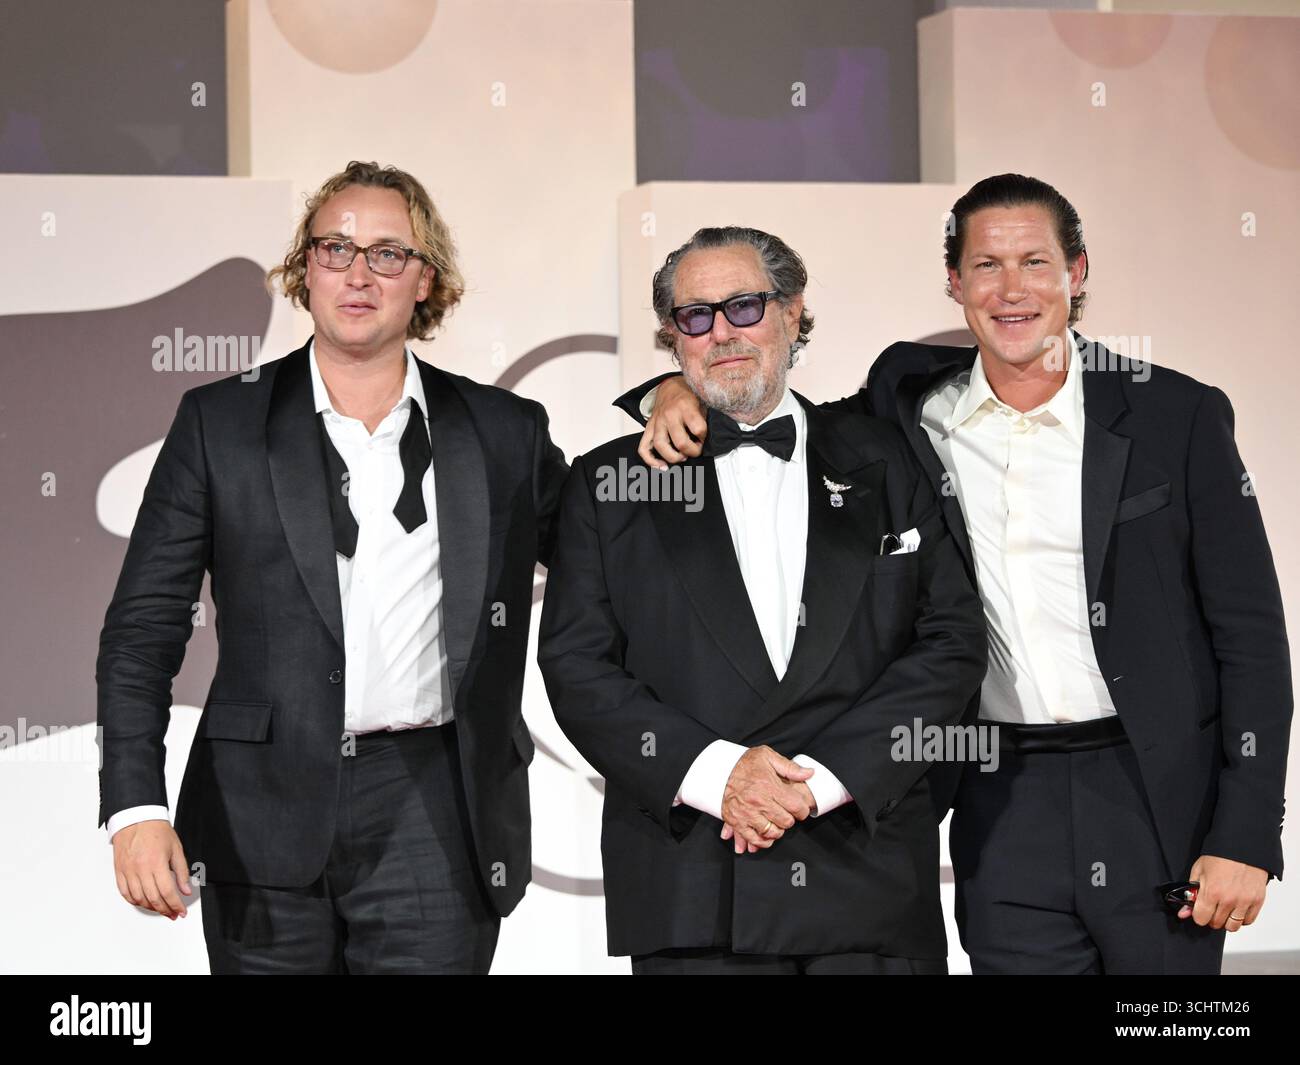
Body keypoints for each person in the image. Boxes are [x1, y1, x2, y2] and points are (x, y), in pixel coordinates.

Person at [616, 174, 1292, 975]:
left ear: (1078, 272)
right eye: (985, 267)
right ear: (954, 282)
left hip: (1153, 792)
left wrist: (1245, 832)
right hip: (995, 794)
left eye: (1035, 262)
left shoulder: (1177, 414)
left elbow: (1251, 639)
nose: (1012, 290)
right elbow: (770, 411)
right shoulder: (907, 405)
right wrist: (665, 389)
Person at [96, 160, 568, 973]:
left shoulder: (503, 431)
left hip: (439, 812)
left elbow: (613, 551)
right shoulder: (221, 423)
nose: (358, 272)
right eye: (335, 248)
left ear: (426, 280)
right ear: (303, 269)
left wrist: (665, 397)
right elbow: (143, 627)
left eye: (388, 253)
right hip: (257, 812)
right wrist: (134, 803)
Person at [539, 226, 986, 974]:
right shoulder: (608, 483)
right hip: (695, 889)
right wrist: (720, 776)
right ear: (673, 338)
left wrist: (825, 781)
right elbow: (577, 668)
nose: (722, 332)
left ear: (792, 312)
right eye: (696, 316)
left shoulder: (890, 457)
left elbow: (951, 641)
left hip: (866, 878)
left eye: (745, 307)